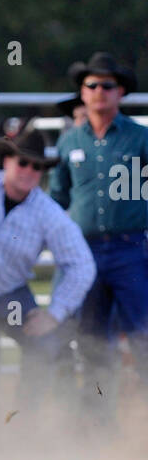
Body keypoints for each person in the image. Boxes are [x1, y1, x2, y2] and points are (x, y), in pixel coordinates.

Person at [0, 128, 96, 405]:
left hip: (9, 297)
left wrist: (55, 313)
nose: (29, 170)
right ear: (7, 161)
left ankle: (26, 419)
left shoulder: (48, 212)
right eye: (23, 162)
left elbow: (82, 264)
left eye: (37, 166)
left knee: (45, 343)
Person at [49, 51, 148, 381]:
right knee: (91, 338)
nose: (100, 91)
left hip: (131, 248)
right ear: (83, 92)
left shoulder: (141, 138)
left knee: (142, 334)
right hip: (84, 251)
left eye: (108, 85)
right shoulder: (69, 142)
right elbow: (58, 197)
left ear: (120, 92)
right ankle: (98, 423)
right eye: (92, 85)